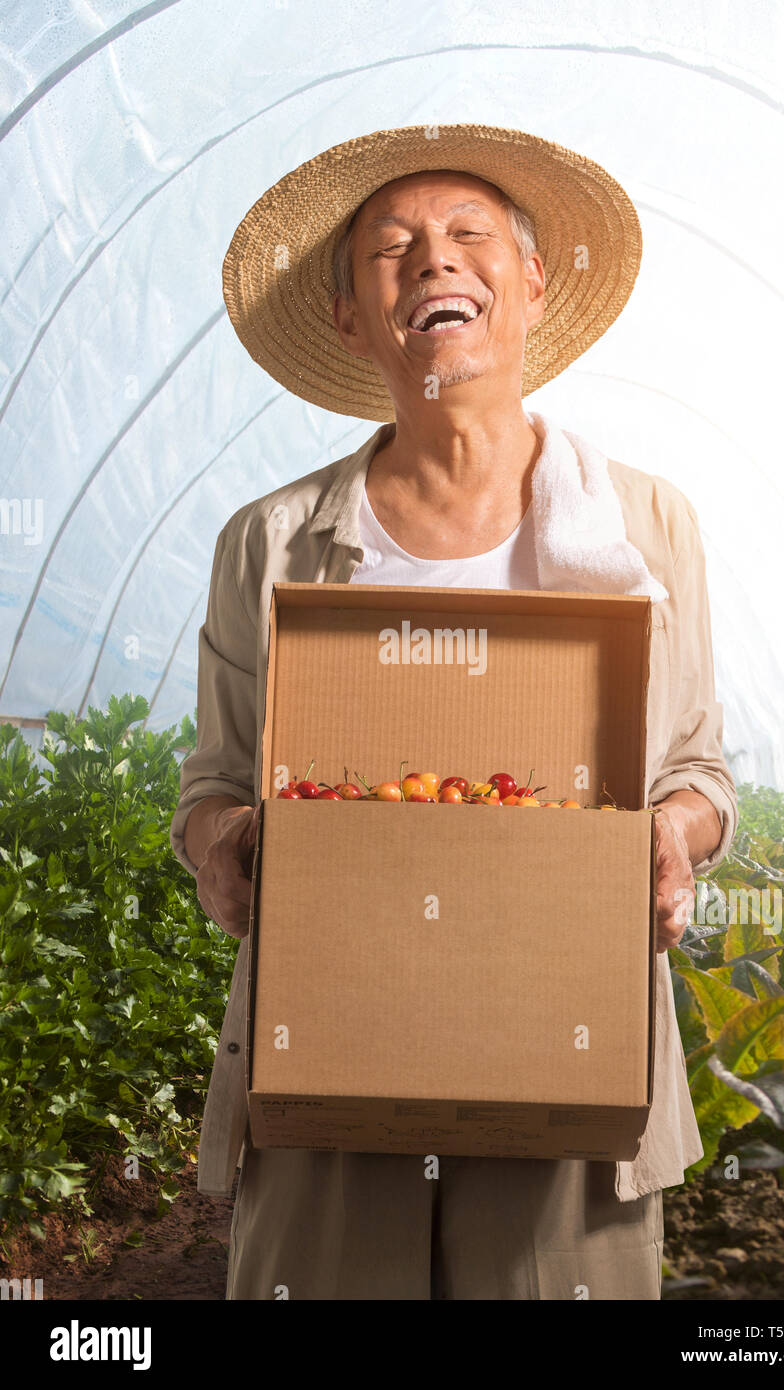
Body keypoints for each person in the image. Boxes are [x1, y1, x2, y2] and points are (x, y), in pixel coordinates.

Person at [169, 123, 738, 1300]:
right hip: (331, 1050)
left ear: (530, 285)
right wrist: (224, 847)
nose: (434, 262)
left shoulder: (645, 528)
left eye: (469, 236)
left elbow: (698, 777)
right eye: (392, 249)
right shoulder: (271, 544)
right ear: (348, 318)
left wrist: (668, 840)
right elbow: (212, 789)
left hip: (571, 1058)